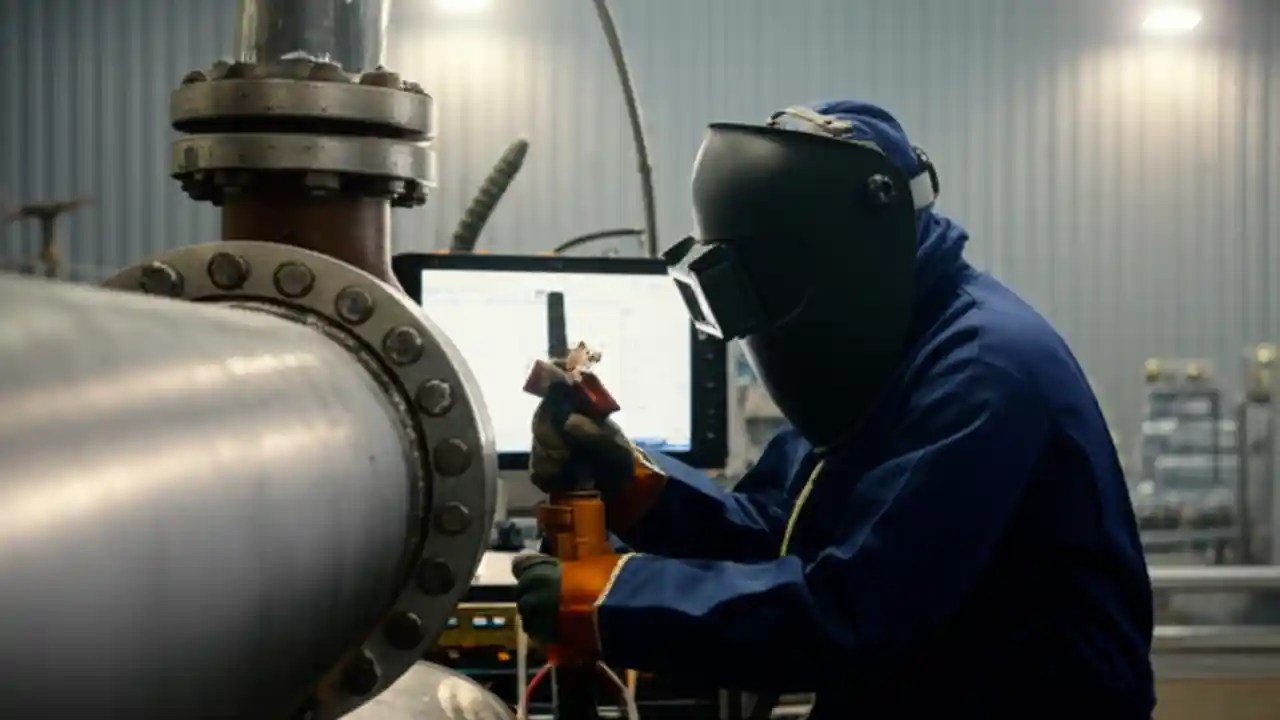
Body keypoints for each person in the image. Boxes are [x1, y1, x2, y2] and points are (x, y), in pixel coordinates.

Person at [512, 100, 1154, 718]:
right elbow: (778, 531)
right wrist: (635, 480)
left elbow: (854, 611)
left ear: (838, 259)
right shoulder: (883, 354)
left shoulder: (982, 373)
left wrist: (609, 601)